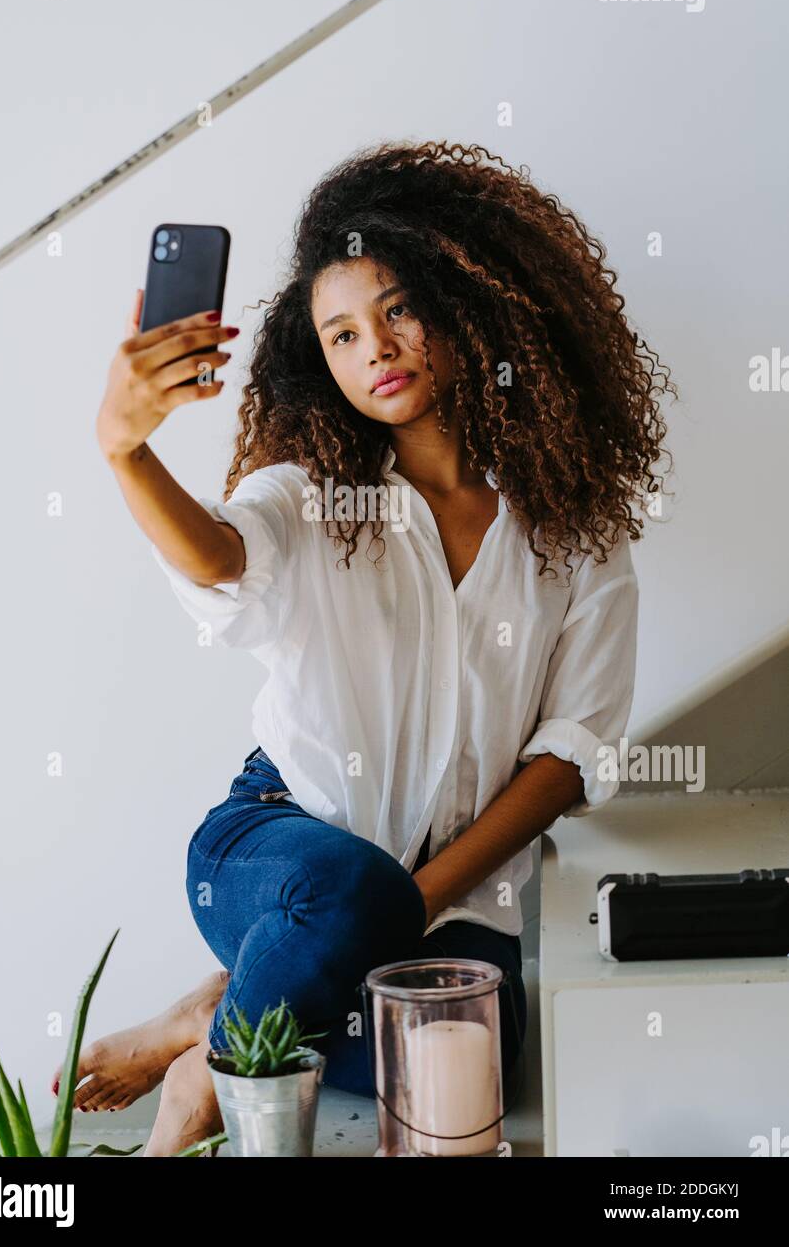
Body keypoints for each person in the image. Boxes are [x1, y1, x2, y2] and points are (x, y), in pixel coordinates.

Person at [54, 141, 675, 1156]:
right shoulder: (311, 496)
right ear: (318, 360)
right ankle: (190, 1104)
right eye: (339, 333)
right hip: (274, 847)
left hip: (457, 889)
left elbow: (565, 760)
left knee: (453, 1060)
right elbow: (218, 557)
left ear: (469, 303)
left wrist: (406, 913)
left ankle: (209, 1011)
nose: (373, 347)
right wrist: (127, 450)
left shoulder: (575, 534)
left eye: (396, 309)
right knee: (348, 898)